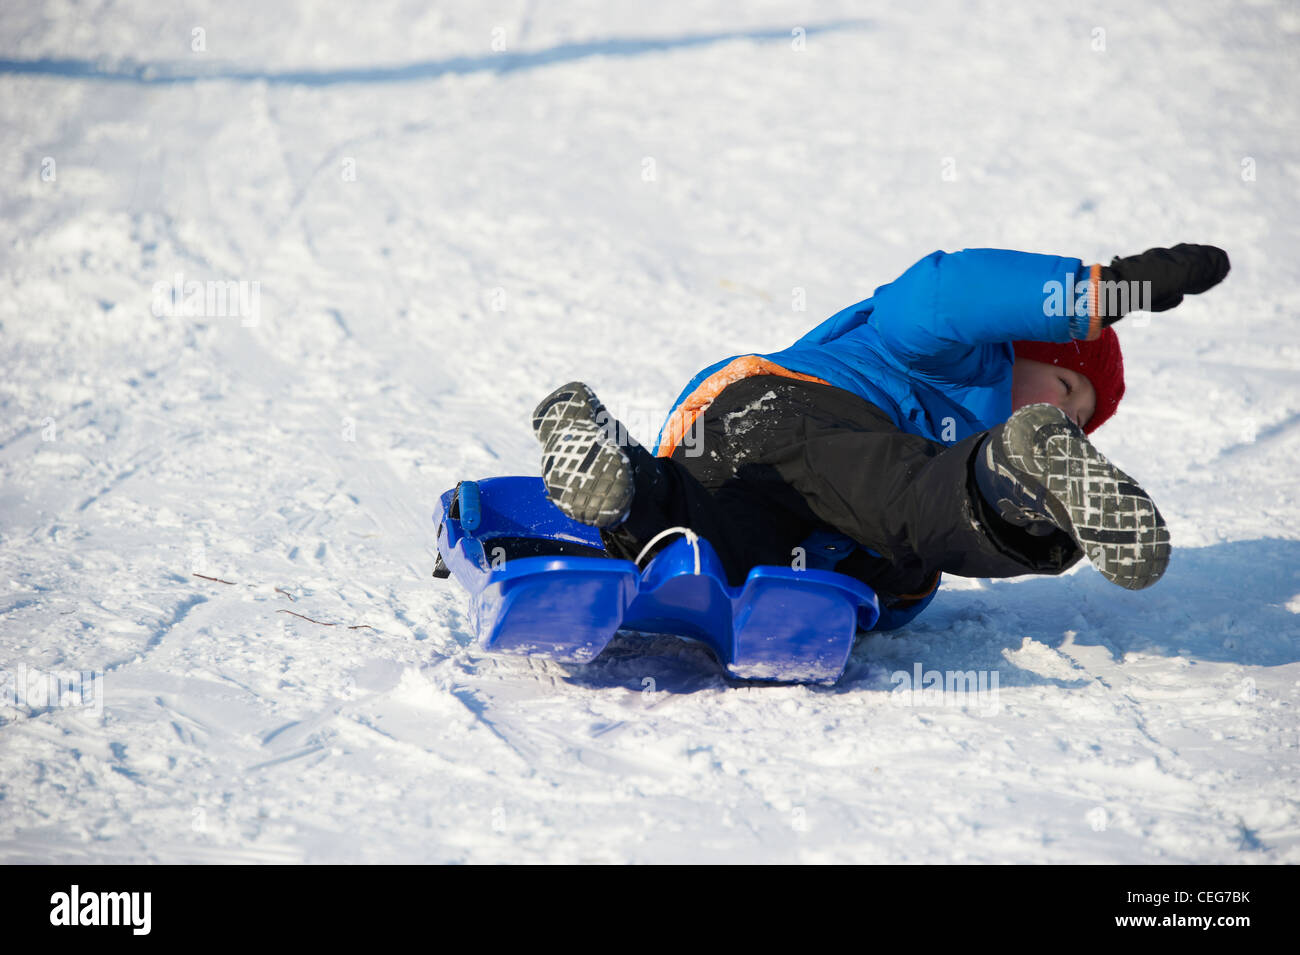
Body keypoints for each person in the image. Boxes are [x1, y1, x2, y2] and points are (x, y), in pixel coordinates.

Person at [530, 244, 1230, 629]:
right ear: (1034, 345)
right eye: (1069, 388)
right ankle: (608, 461)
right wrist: (1097, 294)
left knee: (696, 551)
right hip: (770, 412)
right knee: (899, 494)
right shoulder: (951, 353)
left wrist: (899, 589)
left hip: (798, 527)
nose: (1073, 416)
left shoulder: (947, 461)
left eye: (1081, 424)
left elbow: (902, 549)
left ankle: (613, 484)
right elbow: (942, 288)